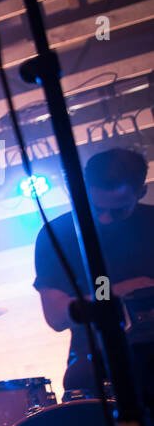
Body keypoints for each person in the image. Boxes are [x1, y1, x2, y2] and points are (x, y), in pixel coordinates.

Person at [33, 147, 154, 400]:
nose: (106, 219)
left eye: (119, 210)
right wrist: (120, 291)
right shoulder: (57, 234)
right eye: (96, 208)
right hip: (95, 369)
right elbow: (56, 316)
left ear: (141, 192)